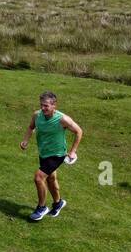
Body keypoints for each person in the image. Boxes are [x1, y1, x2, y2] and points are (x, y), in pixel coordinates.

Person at [19, 91, 83, 222]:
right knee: (51, 179)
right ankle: (58, 203)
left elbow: (79, 131)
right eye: (41, 105)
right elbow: (31, 127)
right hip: (44, 153)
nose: (43, 108)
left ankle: (41, 207)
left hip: (57, 154)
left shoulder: (62, 119)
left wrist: (72, 152)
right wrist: (25, 140)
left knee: (38, 177)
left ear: (54, 106)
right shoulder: (37, 115)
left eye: (46, 106)